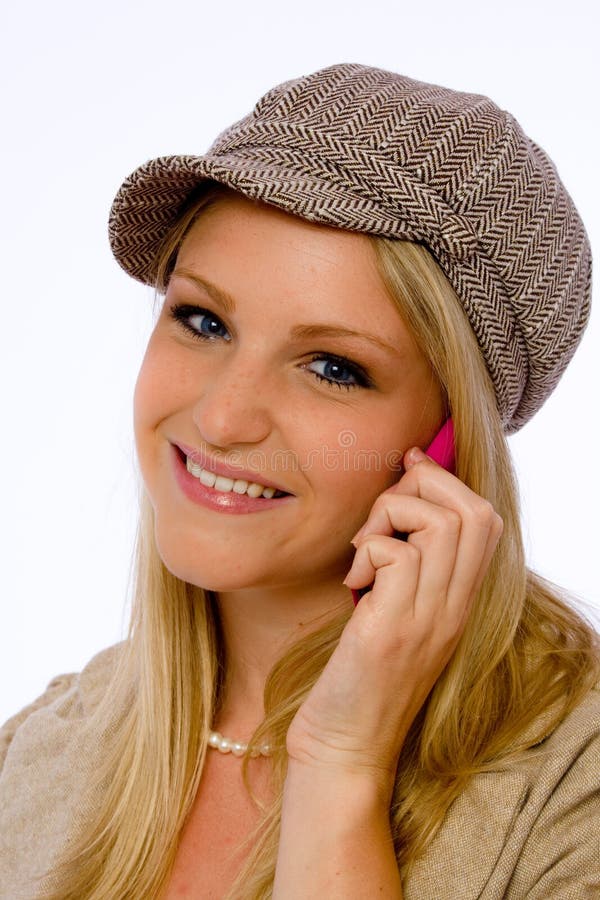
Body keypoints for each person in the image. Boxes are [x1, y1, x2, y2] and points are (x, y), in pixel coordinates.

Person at [1, 62, 598, 900]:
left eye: (332, 368)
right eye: (203, 320)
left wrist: (342, 766)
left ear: (451, 445)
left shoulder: (572, 791)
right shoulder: (40, 754)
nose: (222, 418)